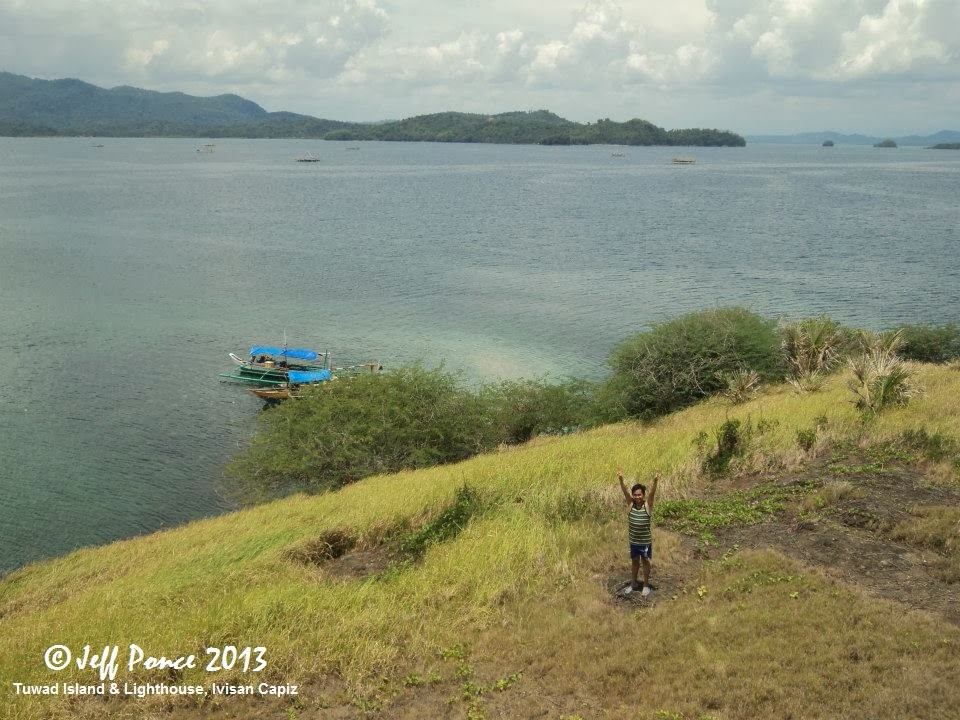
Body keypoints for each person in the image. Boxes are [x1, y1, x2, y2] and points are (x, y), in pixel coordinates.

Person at [618, 467, 660, 597]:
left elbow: (652, 493)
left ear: (643, 495)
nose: (637, 497)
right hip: (634, 542)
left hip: (645, 543)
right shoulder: (630, 505)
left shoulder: (647, 506)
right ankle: (633, 583)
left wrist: (655, 481)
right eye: (635, 495)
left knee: (646, 562)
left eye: (639, 494)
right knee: (635, 562)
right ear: (633, 496)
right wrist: (621, 479)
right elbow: (625, 491)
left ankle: (646, 585)